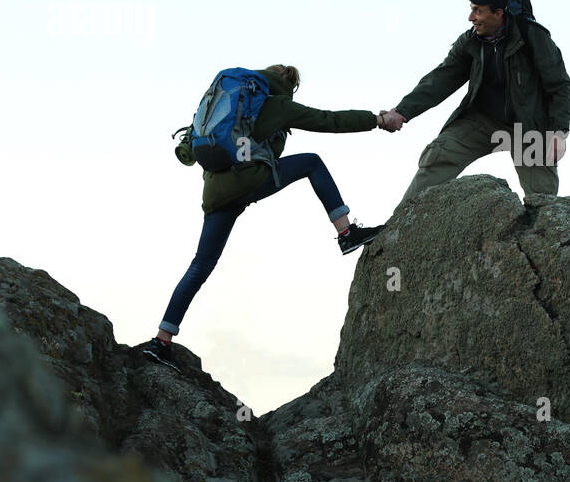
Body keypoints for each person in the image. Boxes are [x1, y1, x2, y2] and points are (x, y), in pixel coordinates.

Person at [138, 64, 395, 372]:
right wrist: (378, 120)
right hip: (247, 181)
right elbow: (330, 120)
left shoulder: (230, 99)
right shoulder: (277, 104)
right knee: (312, 163)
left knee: (199, 266)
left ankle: (161, 340)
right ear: (290, 86)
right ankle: (346, 233)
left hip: (217, 194)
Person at [380, 0, 570, 212]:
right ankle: (400, 227)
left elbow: (559, 86)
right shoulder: (470, 41)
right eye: (472, 10)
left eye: (478, 11)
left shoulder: (532, 37)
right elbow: (441, 79)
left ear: (499, 13)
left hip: (528, 127)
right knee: (439, 155)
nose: (471, 17)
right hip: (482, 121)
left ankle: (541, 239)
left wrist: (559, 132)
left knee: (543, 199)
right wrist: (402, 111)